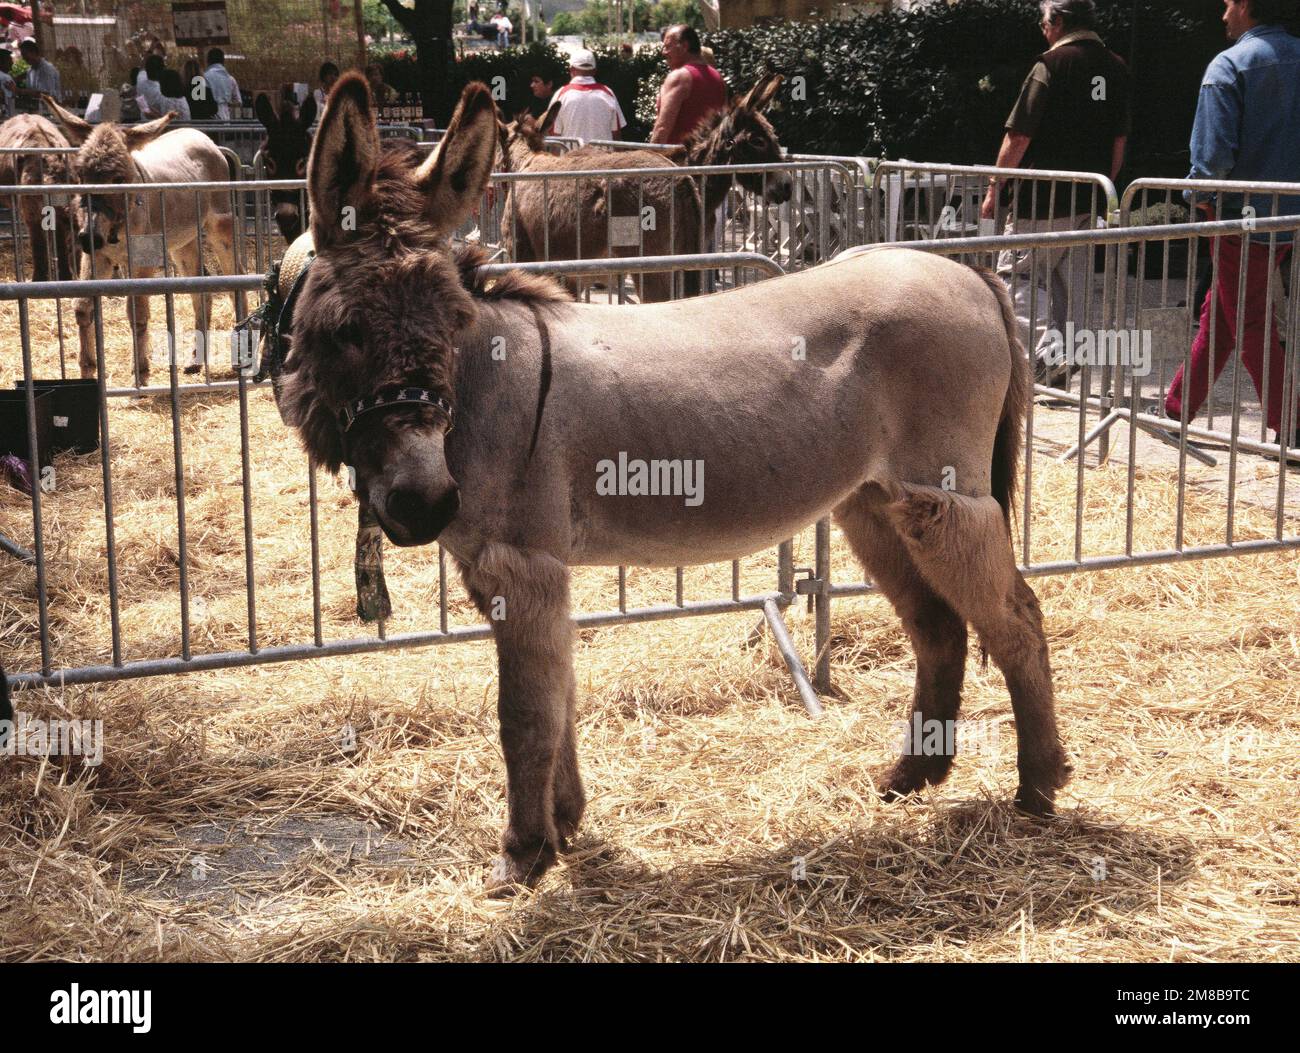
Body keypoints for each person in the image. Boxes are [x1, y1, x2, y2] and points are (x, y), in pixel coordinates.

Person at [1164, 0, 1300, 447]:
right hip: (1287, 213)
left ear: (1244, 4)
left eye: (1226, 4)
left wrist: (1199, 200)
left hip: (1240, 218)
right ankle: (1177, 406)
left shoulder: (1229, 65)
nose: (1222, 14)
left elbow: (1212, 159)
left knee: (1248, 320)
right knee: (1226, 312)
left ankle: (1292, 424)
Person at [981, 0, 1130, 381]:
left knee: (1020, 278)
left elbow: (1019, 135)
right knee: (1071, 284)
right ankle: (1065, 357)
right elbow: (1118, 140)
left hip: (1040, 198)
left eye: (1044, 22)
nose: (1041, 28)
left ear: (1059, 21)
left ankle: (1036, 363)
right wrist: (1103, 188)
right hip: (1089, 195)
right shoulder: (1116, 66)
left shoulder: (1050, 65)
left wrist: (996, 187)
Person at [650, 24, 726, 146]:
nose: (664, 52)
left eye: (668, 46)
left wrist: (650, 159)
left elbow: (662, 129)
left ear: (684, 46)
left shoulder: (679, 77)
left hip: (676, 161)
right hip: (708, 160)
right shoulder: (718, 77)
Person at [547, 49, 625, 142]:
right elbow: (617, 135)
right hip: (603, 156)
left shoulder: (561, 95)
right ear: (594, 71)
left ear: (571, 69)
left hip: (571, 156)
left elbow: (554, 137)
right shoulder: (608, 93)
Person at [15, 38, 60, 112]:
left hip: (50, 111)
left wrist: (19, 91)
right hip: (36, 111)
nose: (23, 58)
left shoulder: (47, 69)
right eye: (22, 55)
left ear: (33, 52)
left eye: (24, 54)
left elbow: (45, 94)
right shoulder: (30, 71)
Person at [203, 47, 240, 120]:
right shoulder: (231, 79)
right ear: (223, 61)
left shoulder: (203, 77)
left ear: (208, 61)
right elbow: (238, 102)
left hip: (209, 118)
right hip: (226, 118)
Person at [0, 48, 16, 120]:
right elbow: (10, 97)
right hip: (7, 116)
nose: (12, 63)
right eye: (9, 60)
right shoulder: (5, 77)